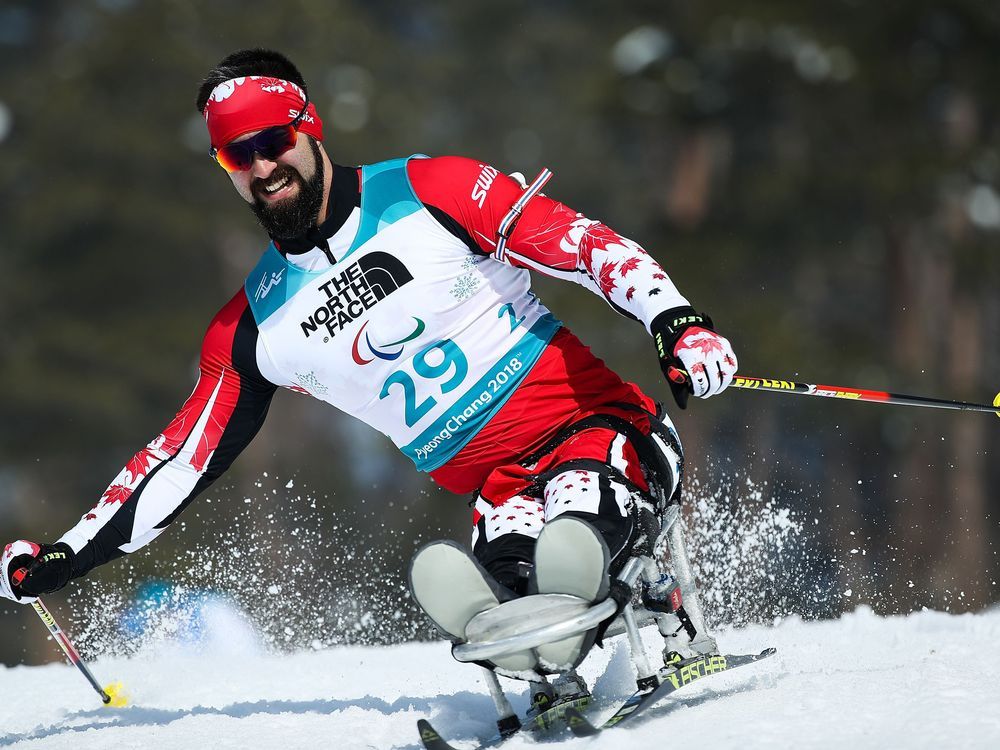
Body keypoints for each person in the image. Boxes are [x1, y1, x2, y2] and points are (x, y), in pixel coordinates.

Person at [1, 50, 737, 655]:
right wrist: (67, 555)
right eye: (236, 154)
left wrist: (676, 322)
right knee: (510, 566)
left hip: (605, 433)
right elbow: (178, 460)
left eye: (272, 142)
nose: (261, 167)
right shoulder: (252, 328)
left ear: (308, 126)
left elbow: (582, 245)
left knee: (578, 513)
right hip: (502, 489)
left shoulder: (432, 189)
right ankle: (536, 642)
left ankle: (643, 593)